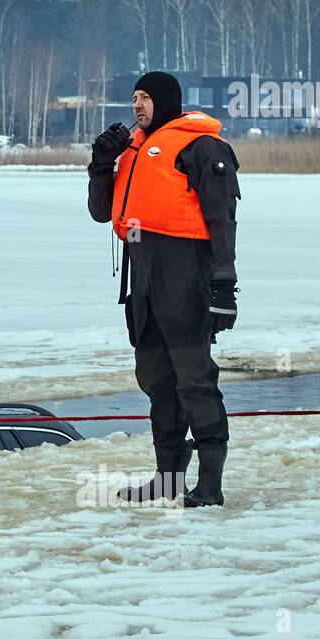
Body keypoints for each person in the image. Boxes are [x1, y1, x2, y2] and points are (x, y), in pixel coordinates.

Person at [87, 71, 240, 507]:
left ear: (167, 102)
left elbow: (222, 221)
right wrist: (100, 164)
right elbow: (102, 212)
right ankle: (168, 479)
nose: (137, 105)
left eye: (146, 98)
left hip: (186, 279)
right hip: (144, 283)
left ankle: (210, 486)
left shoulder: (202, 147)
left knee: (195, 382)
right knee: (157, 381)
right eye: (134, 97)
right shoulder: (132, 151)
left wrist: (223, 287)